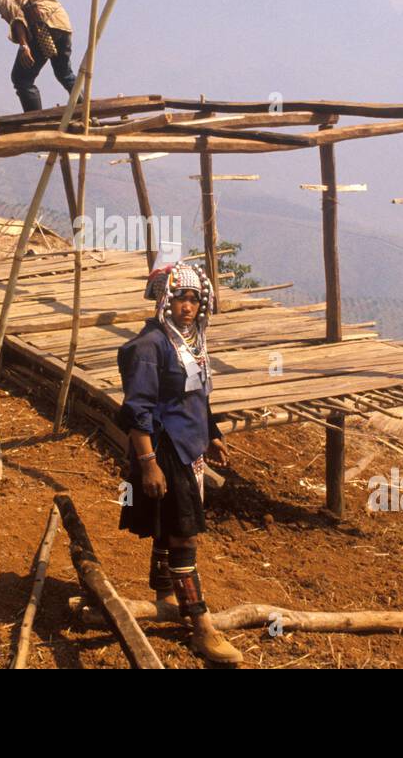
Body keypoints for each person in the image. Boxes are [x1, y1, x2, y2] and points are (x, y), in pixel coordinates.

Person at [116, 262, 242, 665]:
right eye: (180, 298)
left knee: (168, 525)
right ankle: (200, 624)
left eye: (193, 298)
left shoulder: (190, 341)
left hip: (190, 447)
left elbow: (196, 397)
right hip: (165, 448)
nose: (187, 306)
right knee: (185, 535)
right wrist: (148, 463)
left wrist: (214, 433)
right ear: (163, 299)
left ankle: (164, 596)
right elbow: (137, 409)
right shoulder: (149, 347)